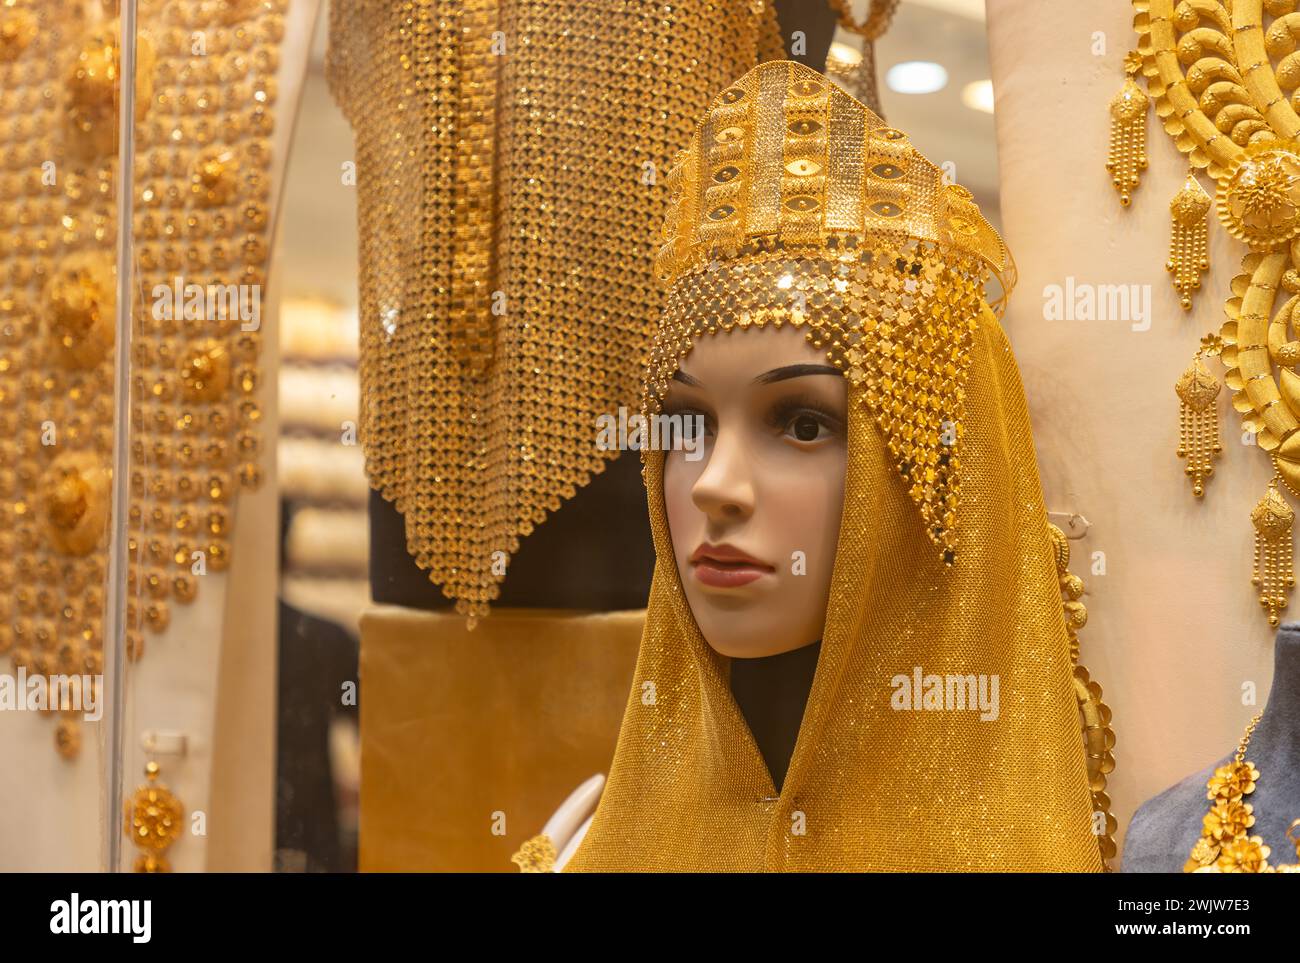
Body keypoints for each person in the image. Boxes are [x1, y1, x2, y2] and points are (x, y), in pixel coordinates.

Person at [557, 59, 1103, 872]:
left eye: (803, 423)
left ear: (928, 480)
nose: (713, 484)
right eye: (685, 424)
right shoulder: (603, 843)